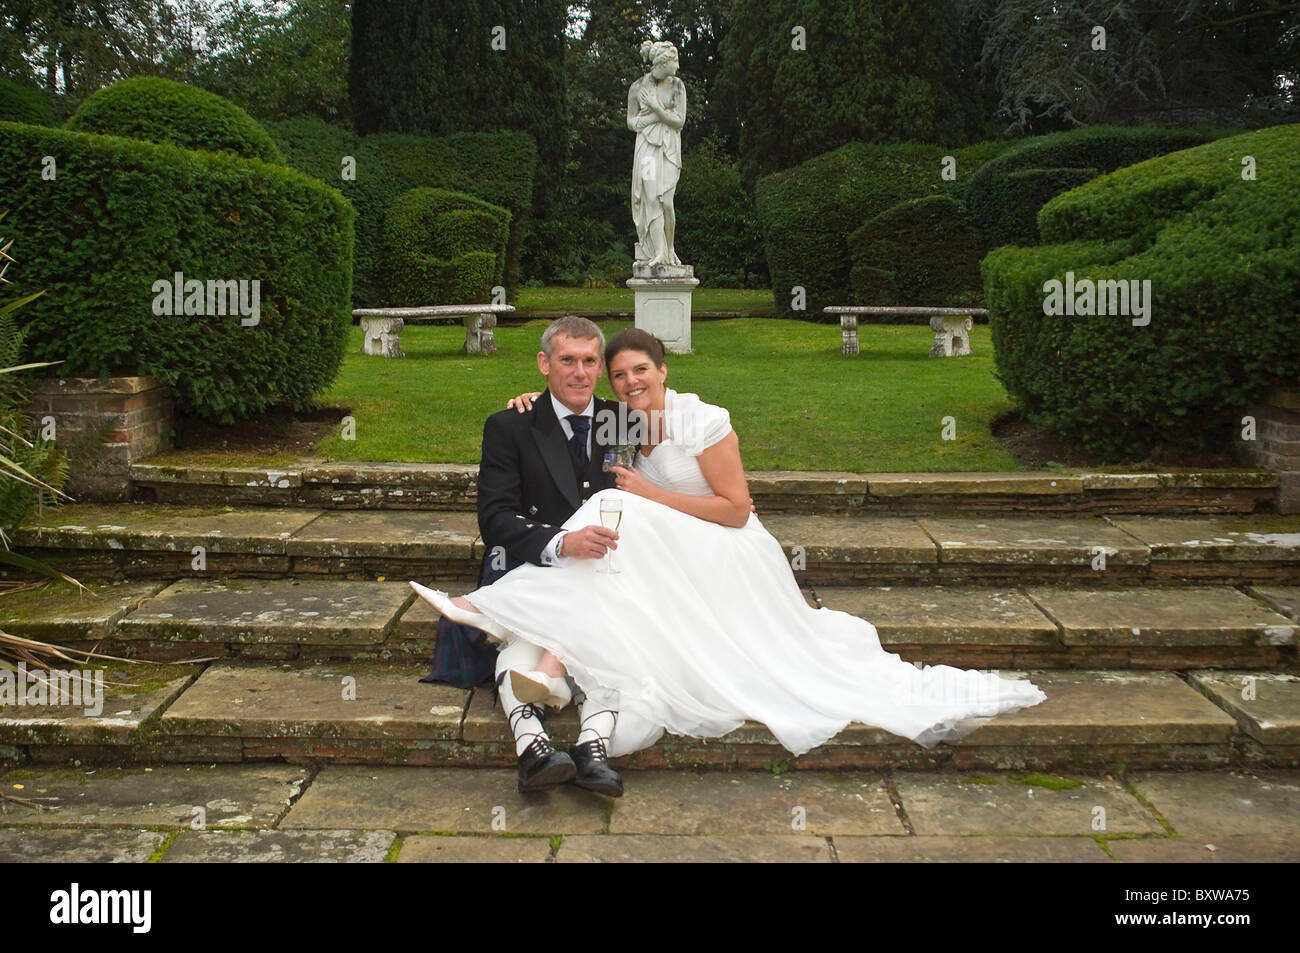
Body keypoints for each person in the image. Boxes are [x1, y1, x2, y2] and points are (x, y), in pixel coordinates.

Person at [423, 328, 1048, 767]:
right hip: (654, 544)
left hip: (723, 543)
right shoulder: (618, 417)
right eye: (616, 372)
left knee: (626, 512)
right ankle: (541, 657)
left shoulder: (702, 418)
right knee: (616, 522)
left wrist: (646, 496)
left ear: (664, 370)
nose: (622, 380)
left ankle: (504, 619)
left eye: (637, 370)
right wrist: (530, 409)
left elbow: (738, 508)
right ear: (552, 367)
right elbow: (565, 442)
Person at [413, 316, 625, 797]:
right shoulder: (511, 425)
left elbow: (645, 495)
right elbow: (496, 519)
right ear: (543, 364)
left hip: (606, 565)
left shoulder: (622, 418)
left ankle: (560, 748)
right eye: (567, 360)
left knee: (610, 627)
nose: (579, 373)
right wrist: (560, 543)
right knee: (571, 630)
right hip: (533, 561)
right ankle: (567, 749)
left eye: (590, 361)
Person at [628, 40, 686, 268]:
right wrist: (654, 116)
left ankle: (670, 249)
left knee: (668, 201)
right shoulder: (637, 87)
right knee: (652, 199)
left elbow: (679, 120)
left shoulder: (678, 86)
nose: (677, 67)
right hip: (647, 147)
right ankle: (658, 253)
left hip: (669, 147)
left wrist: (655, 107)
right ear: (662, 63)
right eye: (675, 62)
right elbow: (631, 122)